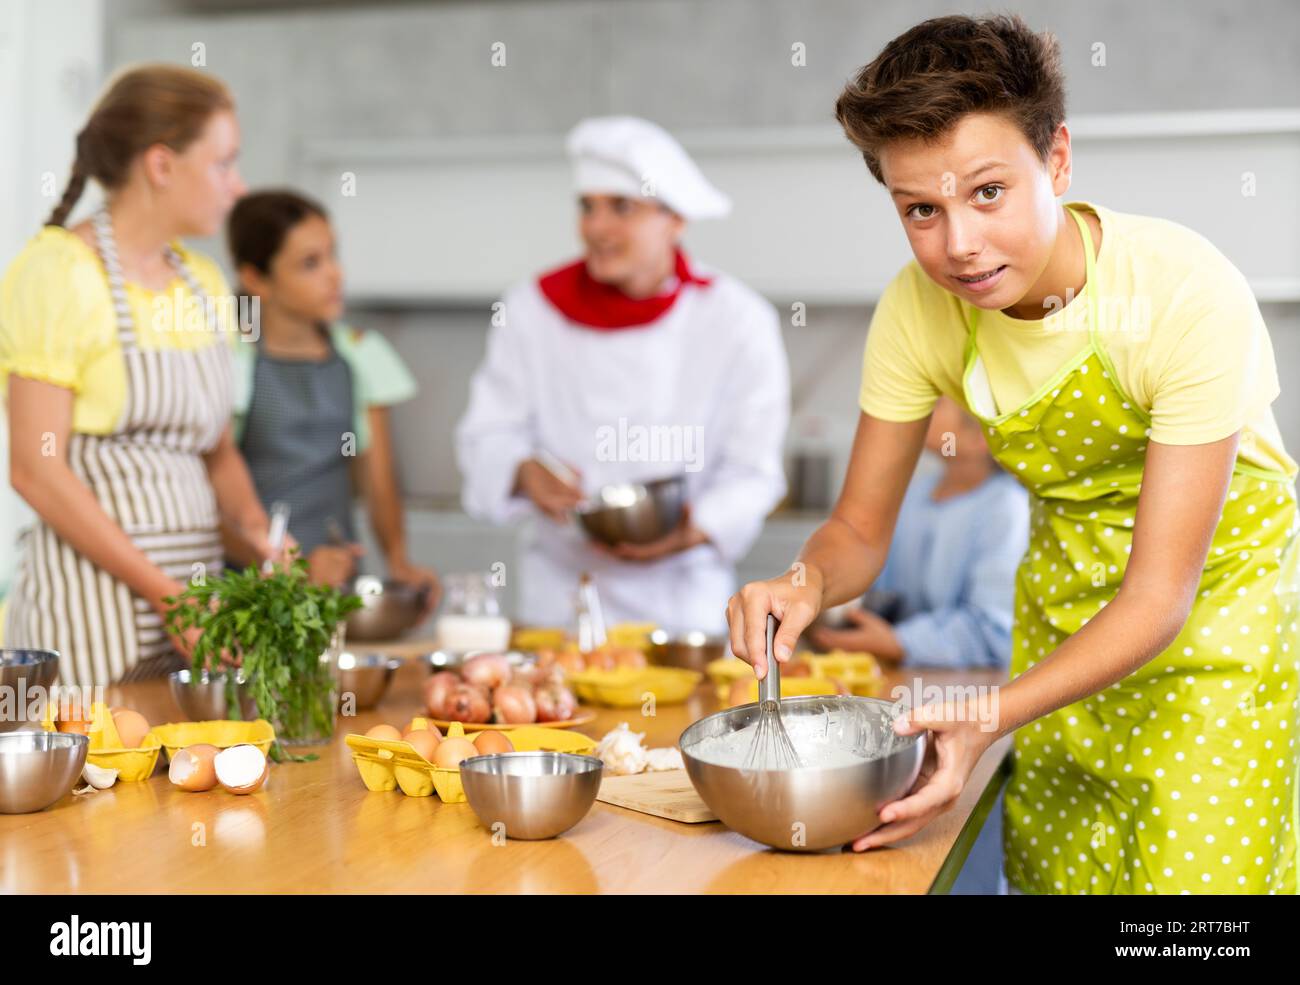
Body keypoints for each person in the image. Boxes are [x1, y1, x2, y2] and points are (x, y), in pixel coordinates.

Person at [726, 14, 1298, 894]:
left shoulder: (1184, 295)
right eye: (921, 209)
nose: (957, 244)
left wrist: (984, 714)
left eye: (987, 192)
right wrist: (801, 584)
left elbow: (1158, 598)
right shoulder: (917, 311)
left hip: (1212, 639)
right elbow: (856, 528)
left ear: (1057, 160)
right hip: (1058, 631)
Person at [0, 65, 282, 687]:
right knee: (105, 773)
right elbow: (34, 467)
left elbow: (218, 452)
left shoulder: (203, 285)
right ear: (162, 165)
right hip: (88, 609)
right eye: (223, 164)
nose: (237, 187)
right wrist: (165, 594)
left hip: (195, 606)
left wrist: (260, 534)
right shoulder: (58, 272)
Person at [457, 116, 789, 633]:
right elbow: (485, 435)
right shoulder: (530, 309)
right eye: (587, 206)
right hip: (560, 602)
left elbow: (753, 474)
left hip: (684, 610)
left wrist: (688, 532)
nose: (596, 227)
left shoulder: (738, 321)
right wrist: (523, 471)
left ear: (675, 219)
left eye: (621, 207)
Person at [226, 190, 440, 608]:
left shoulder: (361, 354)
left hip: (336, 591)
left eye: (332, 256)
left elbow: (379, 483)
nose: (334, 275)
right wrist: (294, 566)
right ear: (256, 279)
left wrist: (399, 562)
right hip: (251, 596)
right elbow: (210, 500)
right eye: (310, 264)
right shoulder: (231, 362)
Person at [809, 397, 1027, 668]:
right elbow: (877, 583)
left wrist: (899, 642)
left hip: (969, 689)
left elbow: (992, 632)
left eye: (936, 404)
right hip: (898, 676)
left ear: (981, 438)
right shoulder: (915, 495)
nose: (920, 406)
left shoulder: (1006, 509)